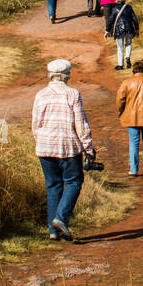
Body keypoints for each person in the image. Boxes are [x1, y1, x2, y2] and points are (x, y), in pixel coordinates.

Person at [31, 58, 96, 241]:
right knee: (74, 182)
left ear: (51, 75)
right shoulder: (73, 94)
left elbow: (35, 123)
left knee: (53, 186)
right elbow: (80, 124)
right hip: (68, 146)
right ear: (66, 75)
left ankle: (53, 231)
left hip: (44, 146)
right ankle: (60, 218)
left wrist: (41, 141)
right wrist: (88, 147)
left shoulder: (41, 94)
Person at [108, 0, 139, 71]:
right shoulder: (129, 7)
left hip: (119, 30)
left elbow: (111, 20)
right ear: (124, 0)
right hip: (129, 29)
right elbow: (134, 18)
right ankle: (127, 57)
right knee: (128, 44)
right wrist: (137, 29)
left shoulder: (115, 8)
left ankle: (120, 65)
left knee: (120, 48)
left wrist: (107, 31)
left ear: (117, 0)